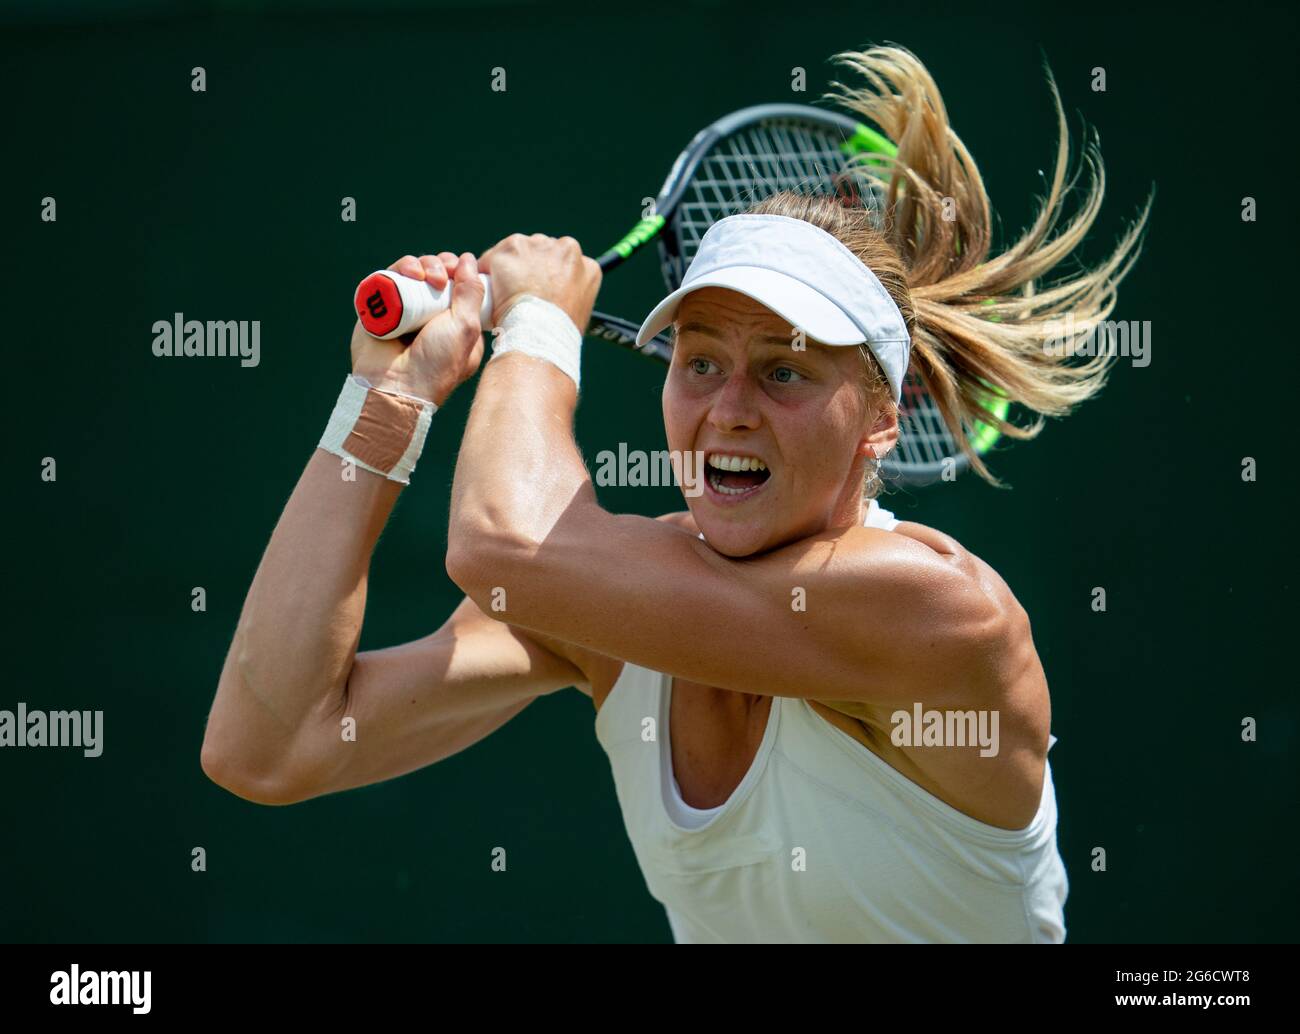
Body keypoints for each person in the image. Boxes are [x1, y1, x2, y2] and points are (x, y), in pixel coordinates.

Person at [201, 45, 1148, 942]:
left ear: (881, 422)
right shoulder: (597, 605)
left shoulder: (942, 616)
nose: (728, 410)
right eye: (700, 362)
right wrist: (387, 398)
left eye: (784, 373)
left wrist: (537, 326)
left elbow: (498, 545)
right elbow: (270, 744)